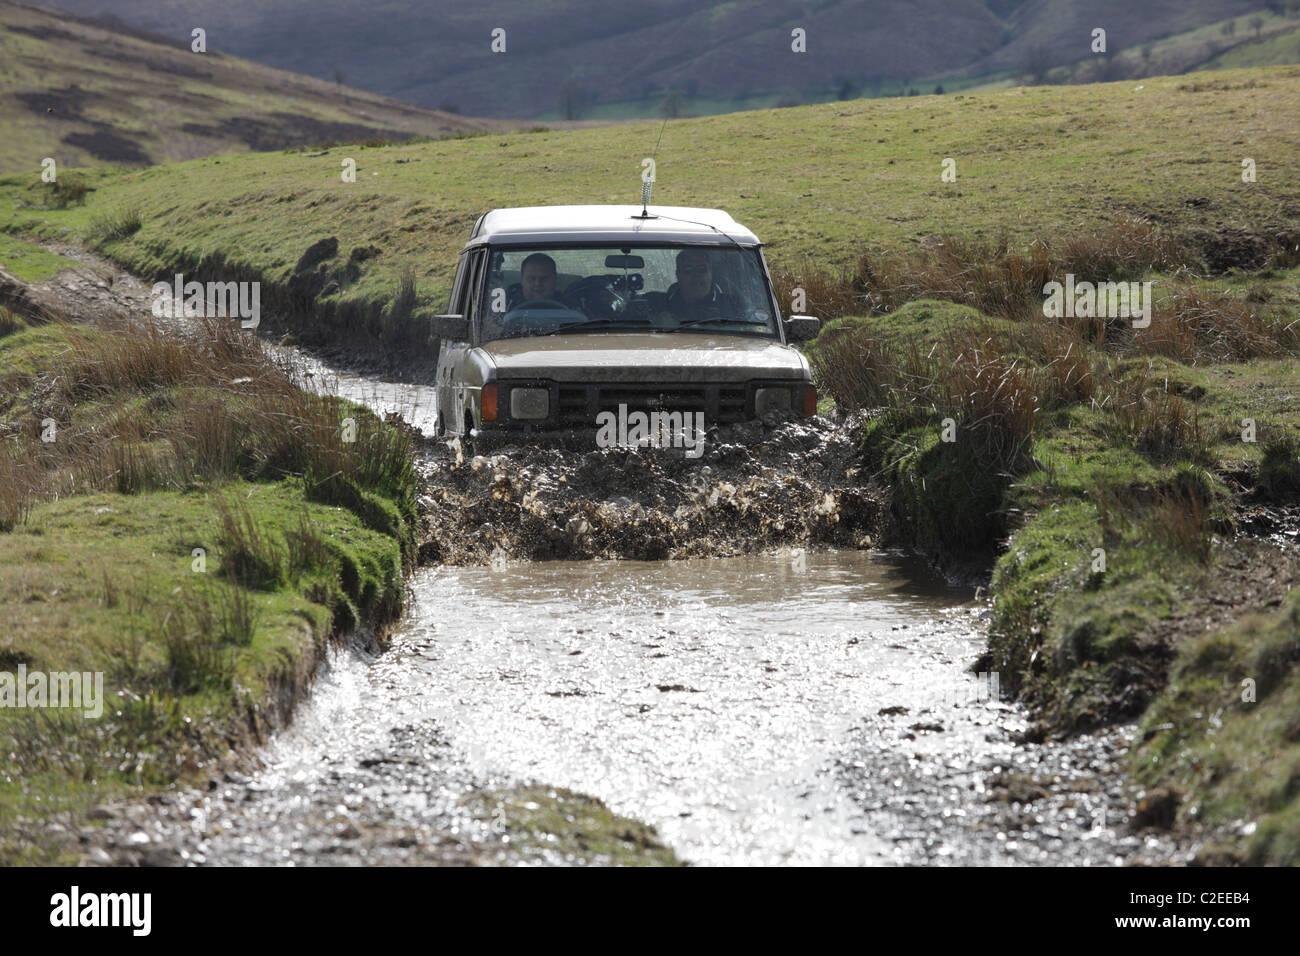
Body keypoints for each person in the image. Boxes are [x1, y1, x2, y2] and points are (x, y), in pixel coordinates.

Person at [666, 248, 738, 320]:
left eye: (702, 269)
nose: (696, 275)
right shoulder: (661, 305)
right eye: (688, 270)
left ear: (711, 273)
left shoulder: (733, 306)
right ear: (678, 275)